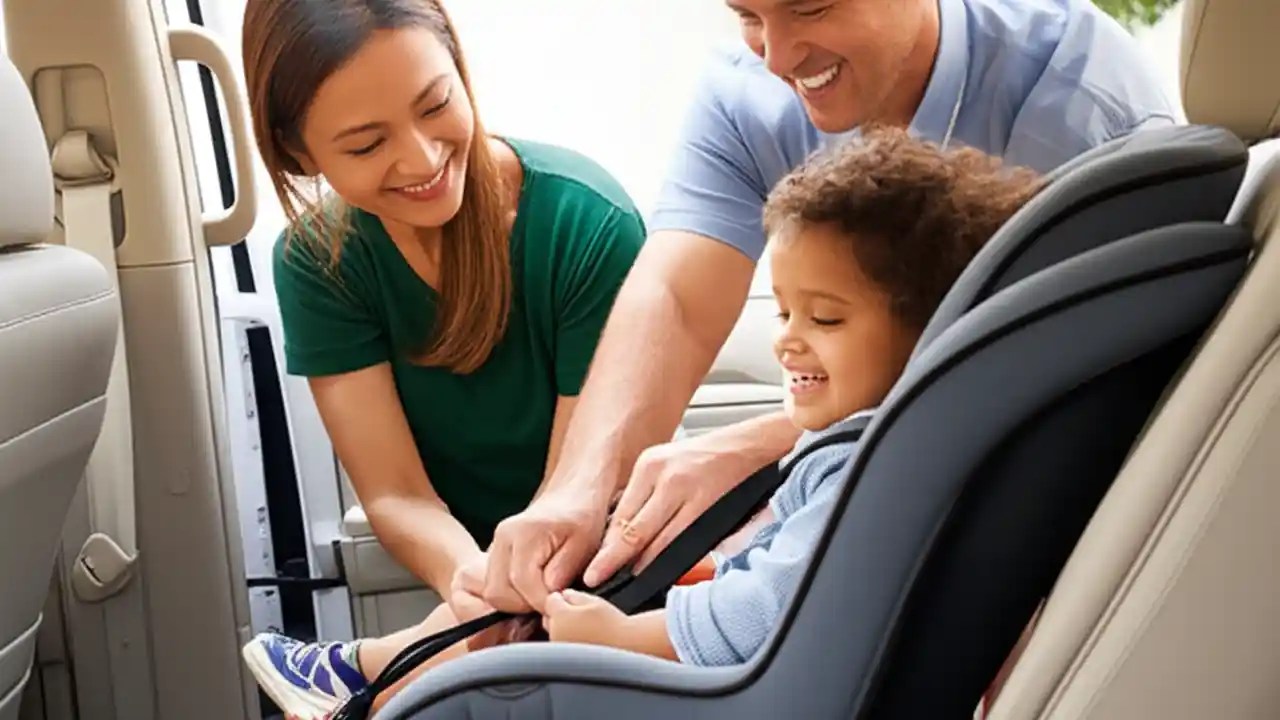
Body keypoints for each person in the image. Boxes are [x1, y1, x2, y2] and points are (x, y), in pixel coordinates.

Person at [251, 126, 1043, 718]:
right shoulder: (855, 448)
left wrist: (626, 640)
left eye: (826, 320)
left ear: (928, 331)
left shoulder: (868, 465)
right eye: (789, 309)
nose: (788, 337)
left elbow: (769, 607)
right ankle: (375, 674)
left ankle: (369, 676)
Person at [479, 0, 1181, 619]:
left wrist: (771, 440)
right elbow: (676, 299)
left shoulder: (1081, 103)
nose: (778, 59)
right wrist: (572, 496)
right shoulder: (741, 90)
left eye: (810, 9)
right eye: (748, 16)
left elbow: (1081, 385)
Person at [233, 0, 645, 713]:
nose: (422, 159)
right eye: (366, 145)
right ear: (298, 152)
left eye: (436, 104)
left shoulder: (587, 223)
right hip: (485, 593)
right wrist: (474, 583)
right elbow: (395, 494)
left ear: (459, 64)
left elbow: (580, 498)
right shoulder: (316, 262)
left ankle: (361, 671)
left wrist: (486, 603)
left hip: (612, 562)